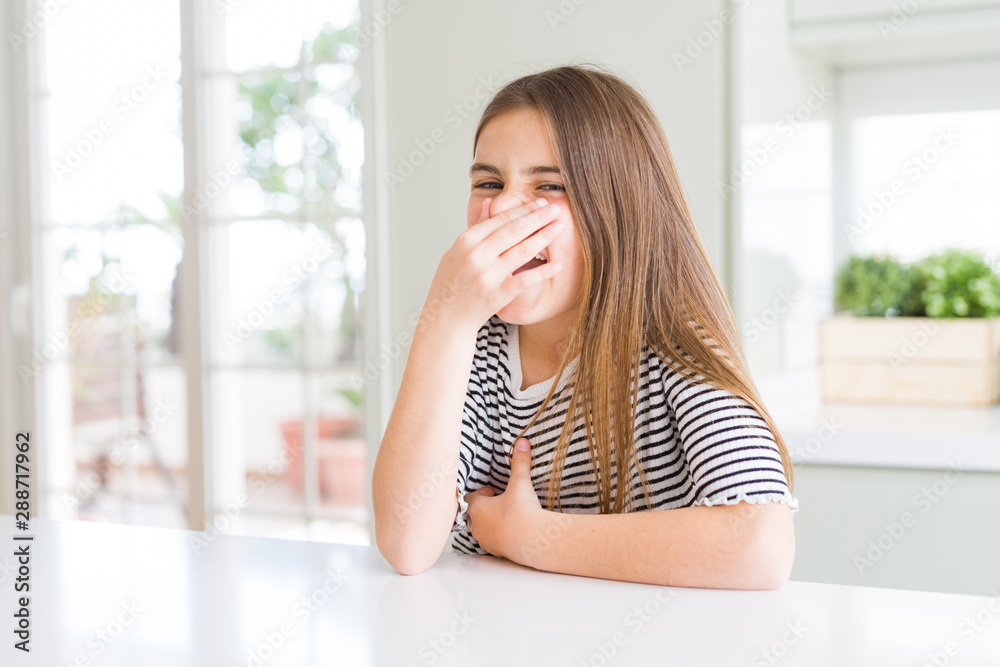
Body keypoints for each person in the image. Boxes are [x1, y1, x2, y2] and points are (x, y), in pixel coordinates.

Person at [372, 65, 797, 590]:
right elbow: (407, 545)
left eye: (549, 184)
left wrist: (528, 537)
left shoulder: (674, 347)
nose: (501, 206)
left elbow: (760, 546)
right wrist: (444, 318)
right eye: (488, 181)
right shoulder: (474, 348)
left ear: (619, 210)